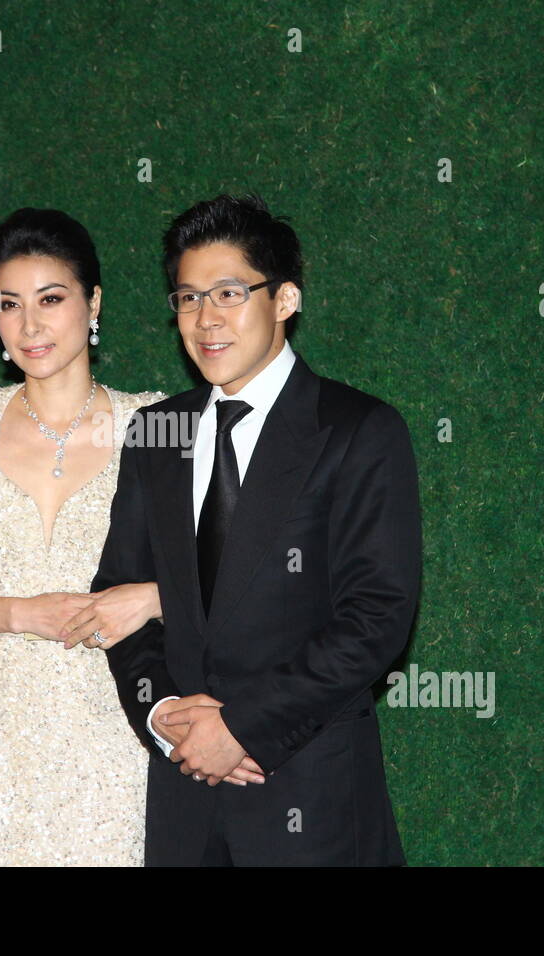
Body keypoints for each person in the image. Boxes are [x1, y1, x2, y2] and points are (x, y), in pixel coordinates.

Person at [93, 193, 423, 865]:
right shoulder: (157, 434)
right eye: (188, 298)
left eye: (229, 293)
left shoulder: (358, 430)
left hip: (310, 797)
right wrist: (162, 714)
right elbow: (121, 596)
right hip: (184, 801)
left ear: (285, 299)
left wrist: (242, 728)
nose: (205, 319)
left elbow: (377, 616)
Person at [0, 207, 172, 865]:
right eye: (8, 304)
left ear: (93, 302)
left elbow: (221, 575)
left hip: (117, 723)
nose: (29, 325)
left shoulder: (155, 424)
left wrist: (149, 598)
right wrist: (21, 614)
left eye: (51, 299)